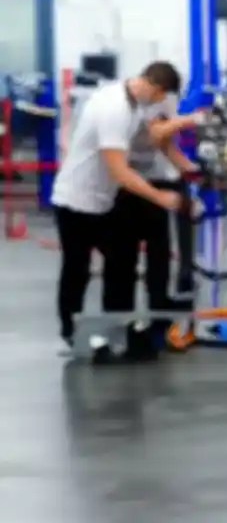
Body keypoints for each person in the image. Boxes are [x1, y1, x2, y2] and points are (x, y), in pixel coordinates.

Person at [51, 62, 187, 349]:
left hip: (102, 201)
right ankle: (70, 329)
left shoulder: (131, 103)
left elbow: (155, 138)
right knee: (78, 268)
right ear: (156, 88)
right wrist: (160, 197)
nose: (161, 104)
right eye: (162, 97)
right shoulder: (115, 108)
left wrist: (187, 168)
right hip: (76, 201)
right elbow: (120, 172)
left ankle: (116, 327)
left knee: (120, 263)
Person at [101, 91, 203, 358]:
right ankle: (119, 325)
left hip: (157, 186)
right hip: (128, 188)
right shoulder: (130, 108)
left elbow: (167, 146)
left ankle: (159, 324)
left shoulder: (165, 103)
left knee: (160, 260)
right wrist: (193, 119)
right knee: (123, 261)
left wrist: (192, 171)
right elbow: (157, 132)